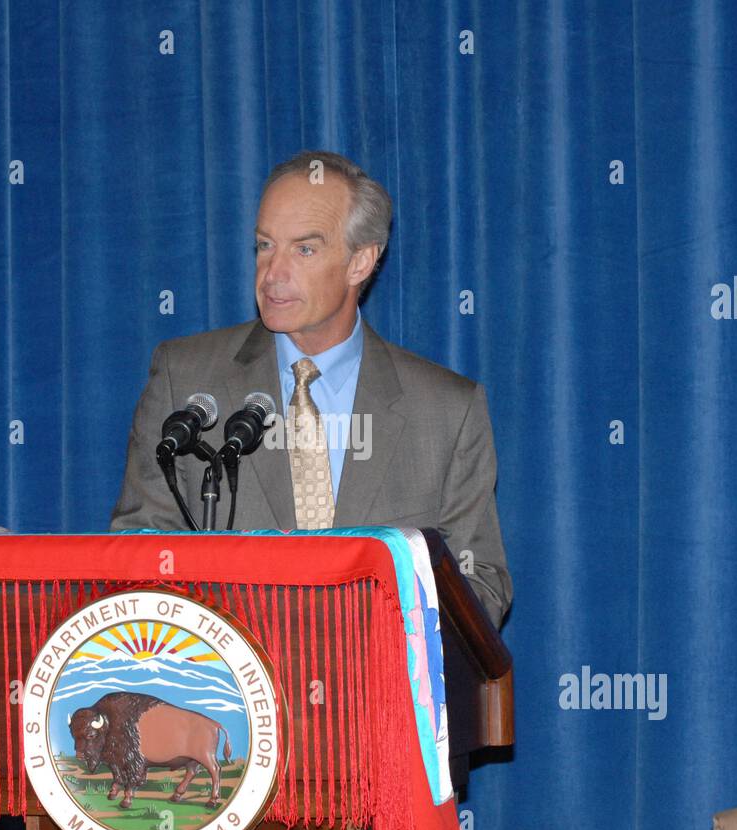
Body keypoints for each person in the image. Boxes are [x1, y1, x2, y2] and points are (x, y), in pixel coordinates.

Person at [111, 150, 512, 626]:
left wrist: (368, 641)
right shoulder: (186, 379)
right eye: (264, 246)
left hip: (376, 691)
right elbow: (137, 558)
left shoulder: (446, 411)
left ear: (360, 261)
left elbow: (480, 585)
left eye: (304, 249)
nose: (273, 274)